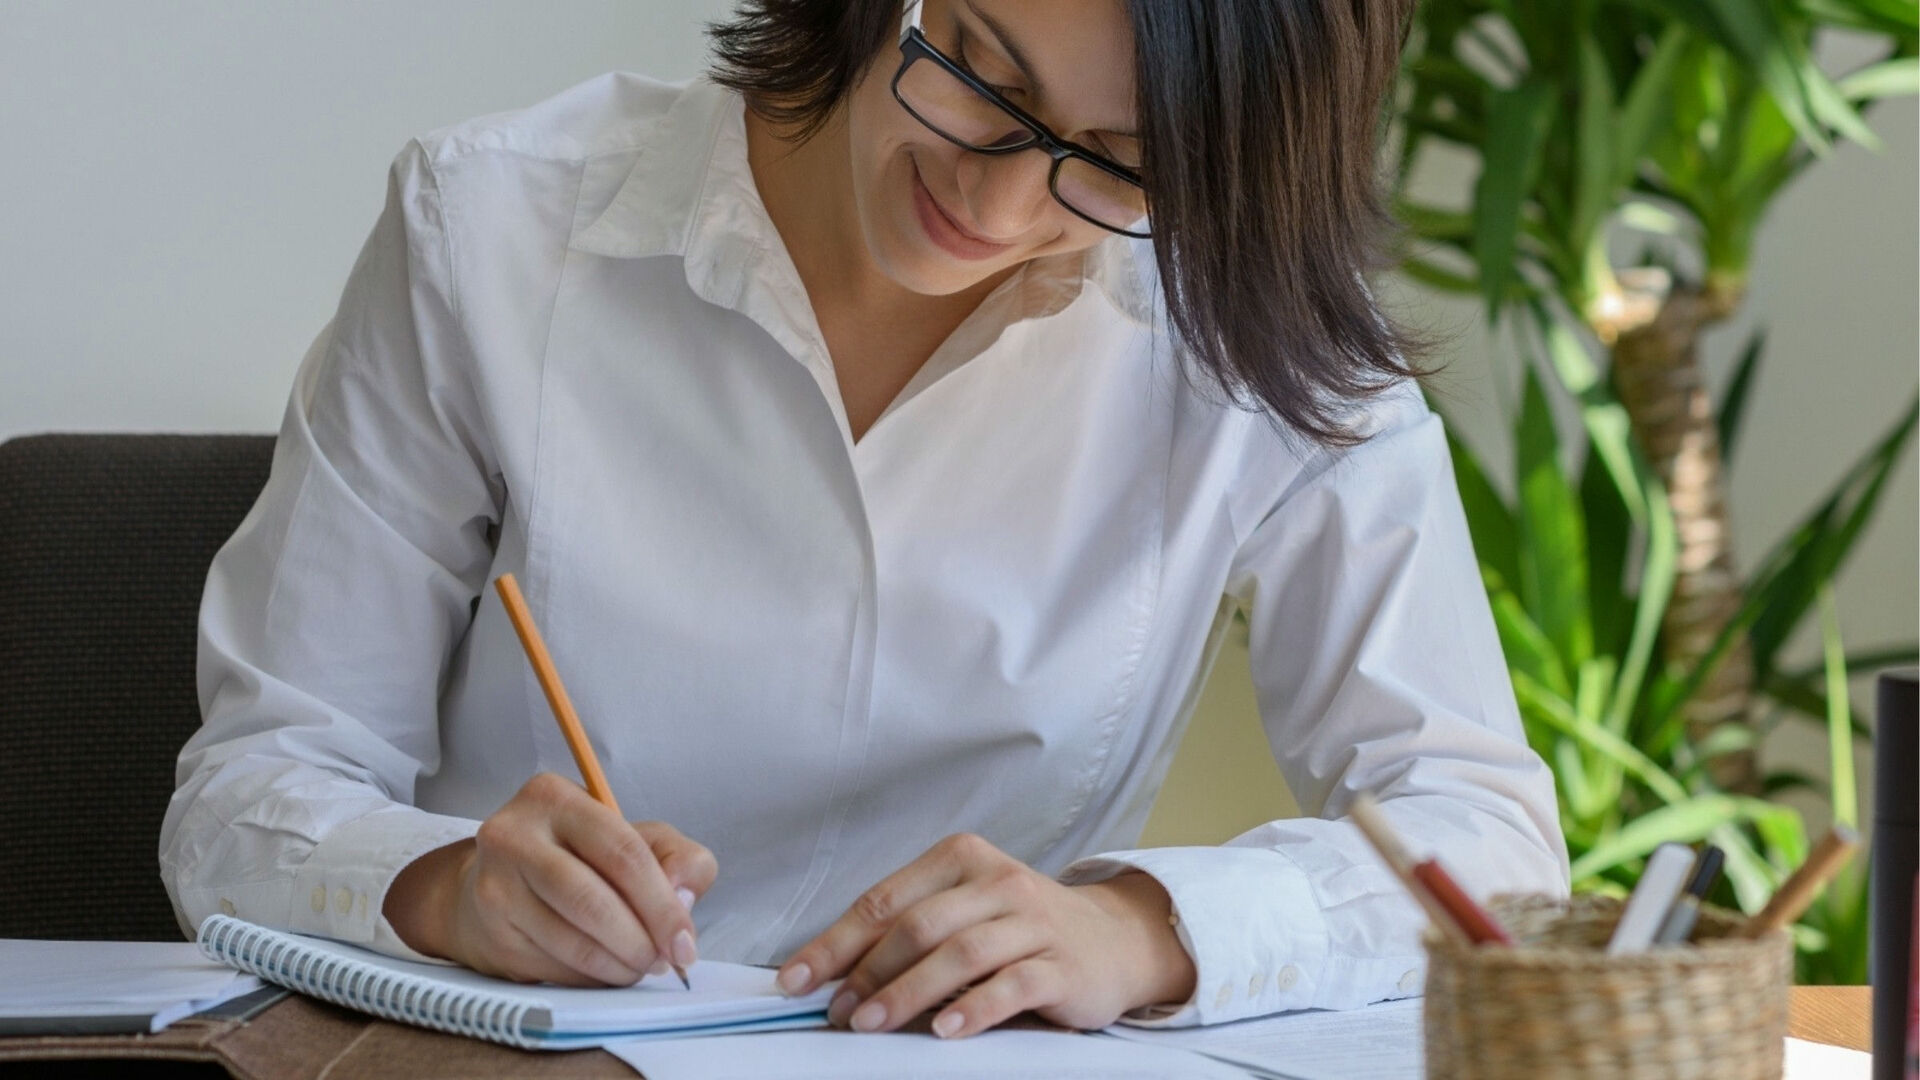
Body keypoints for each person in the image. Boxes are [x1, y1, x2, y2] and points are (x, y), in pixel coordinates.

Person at [160, 0, 1569, 1041]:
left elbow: (1484, 842)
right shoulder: (492, 232)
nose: (999, 196)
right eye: (973, 68)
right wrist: (446, 891)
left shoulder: (1245, 341)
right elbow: (246, 796)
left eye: (1117, 163)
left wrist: (1135, 929)